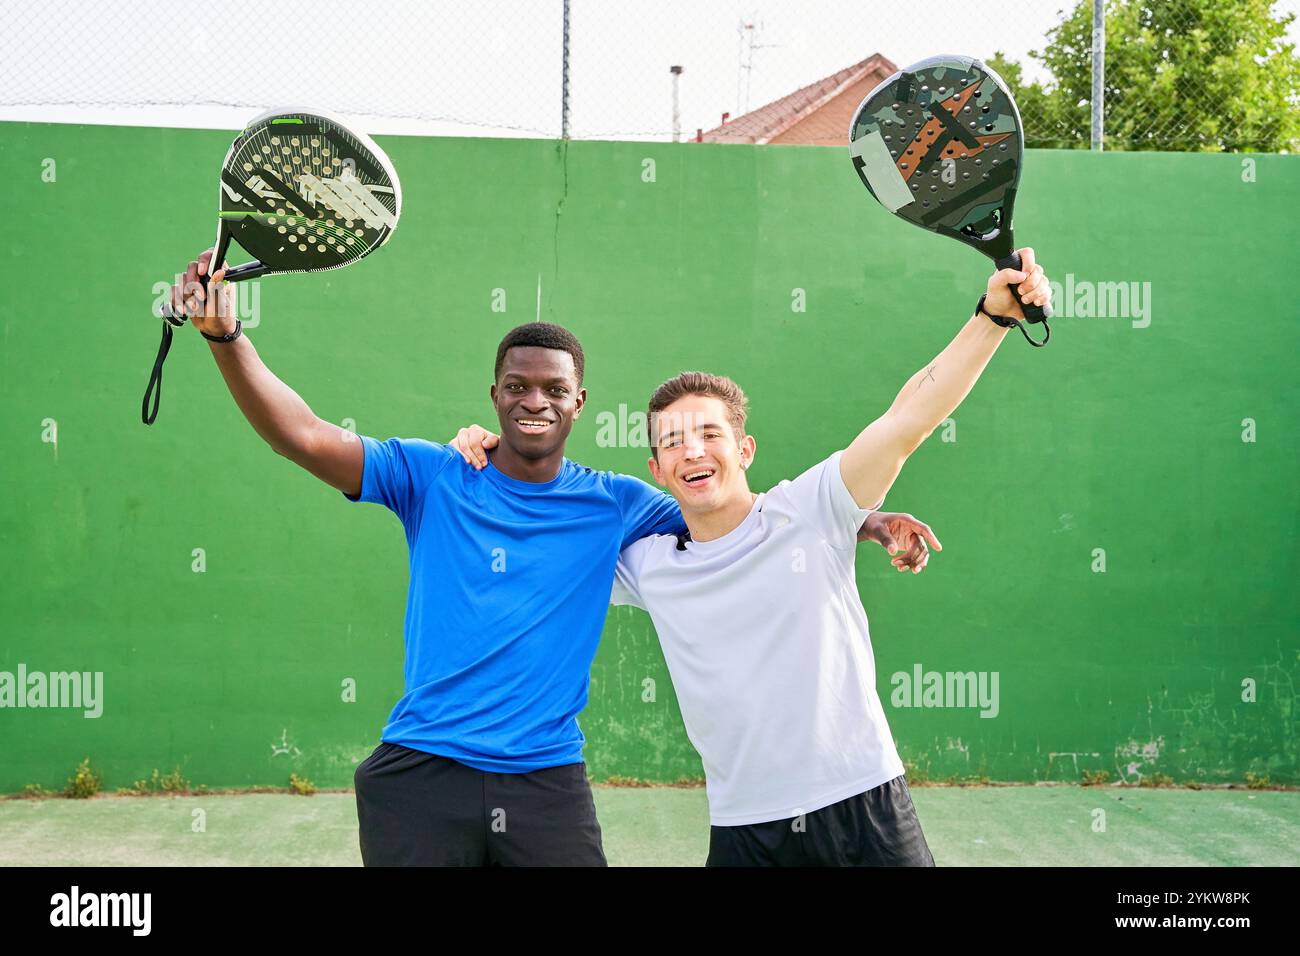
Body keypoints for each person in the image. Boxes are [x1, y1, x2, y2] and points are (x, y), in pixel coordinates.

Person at [166, 250, 933, 866]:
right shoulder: (433, 475)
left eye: (552, 389)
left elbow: (743, 519)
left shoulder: (620, 505)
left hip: (545, 781)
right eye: (517, 386)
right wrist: (227, 337)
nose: (534, 400)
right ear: (494, 396)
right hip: (420, 772)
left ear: (579, 403)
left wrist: (861, 520)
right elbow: (299, 435)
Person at [451, 248, 1051, 865]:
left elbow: (906, 421)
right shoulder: (647, 564)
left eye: (710, 434)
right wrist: (494, 458)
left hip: (863, 806)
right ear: (657, 470)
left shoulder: (812, 510)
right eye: (674, 442)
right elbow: (535, 529)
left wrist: (993, 317)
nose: (693, 451)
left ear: (745, 449)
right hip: (745, 830)